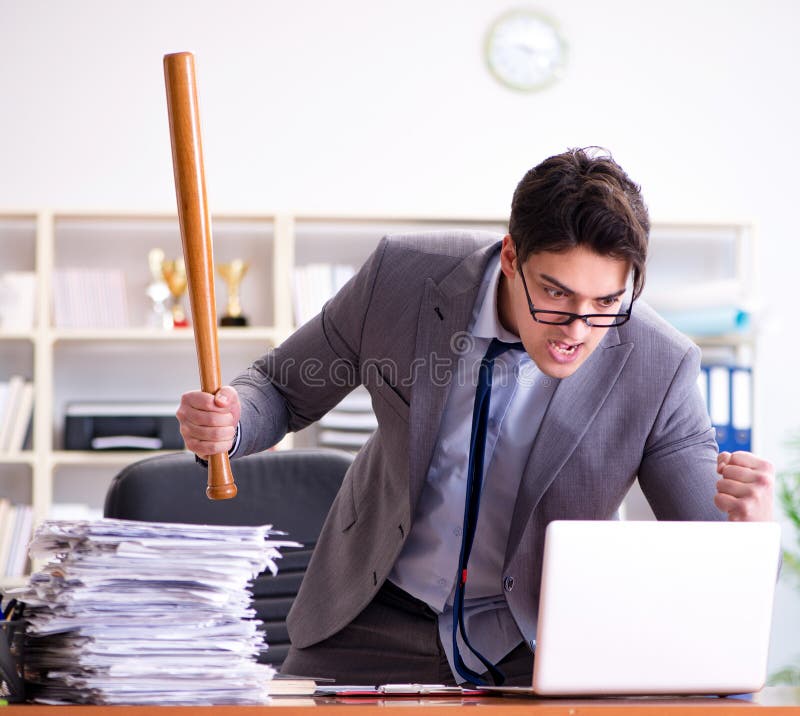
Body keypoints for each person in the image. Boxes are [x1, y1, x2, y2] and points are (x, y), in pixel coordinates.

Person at [177, 147, 774, 686]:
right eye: (557, 294)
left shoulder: (659, 365)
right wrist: (231, 424)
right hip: (368, 619)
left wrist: (748, 529)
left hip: (535, 642)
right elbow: (281, 387)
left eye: (606, 304)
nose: (575, 331)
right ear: (512, 256)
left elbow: (710, 556)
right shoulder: (403, 280)